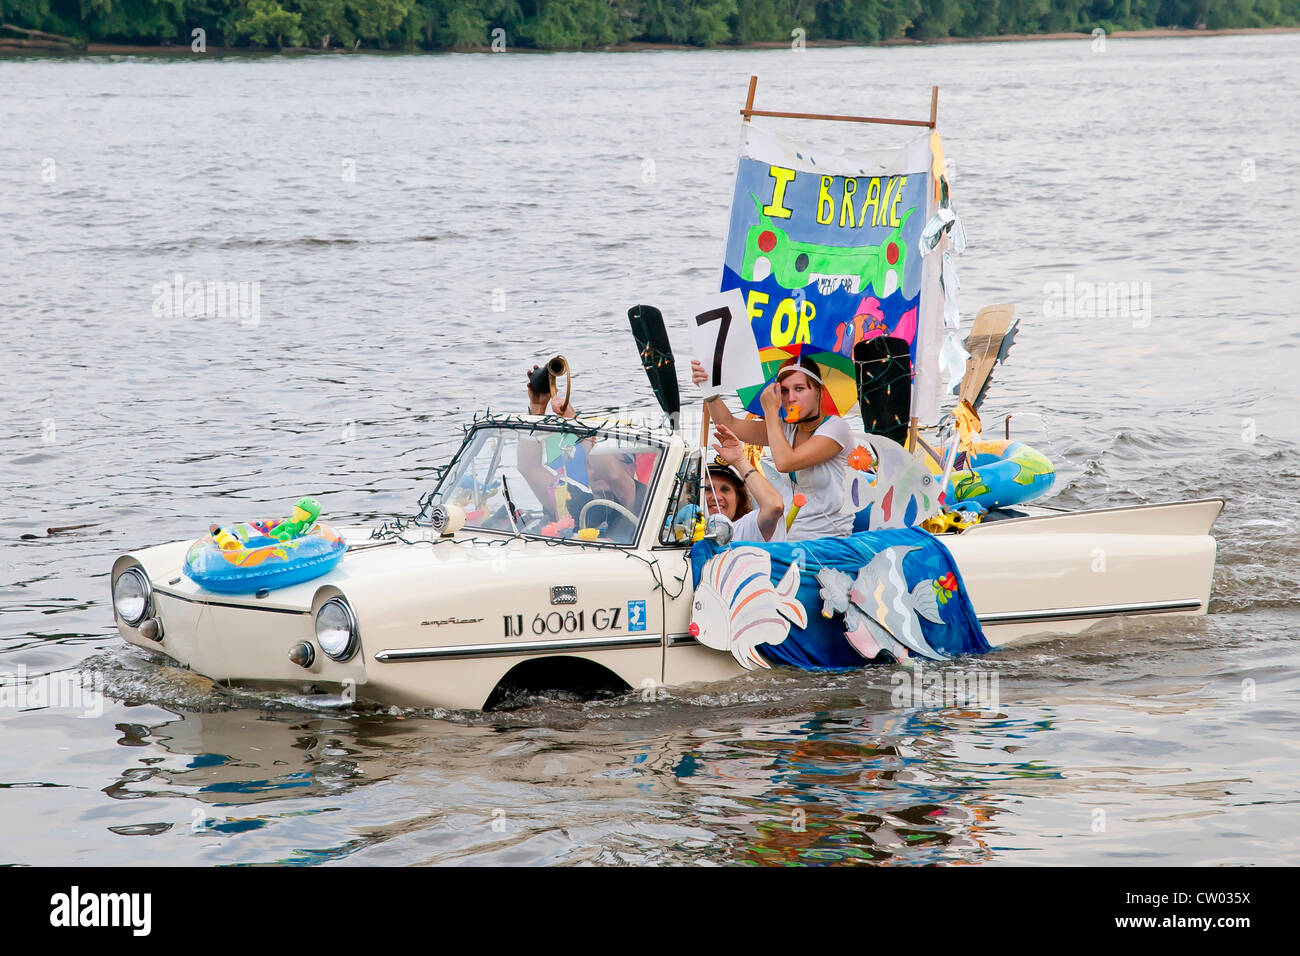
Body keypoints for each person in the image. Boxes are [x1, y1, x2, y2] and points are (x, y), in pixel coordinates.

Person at [691, 354, 852, 540]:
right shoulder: (785, 428)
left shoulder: (837, 428)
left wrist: (771, 412)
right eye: (784, 391)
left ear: (819, 391)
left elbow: (785, 462)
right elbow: (729, 424)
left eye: (799, 389)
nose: (791, 397)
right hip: (787, 536)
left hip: (828, 540)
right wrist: (709, 389)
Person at [705, 422, 785, 542]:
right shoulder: (675, 533)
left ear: (739, 498)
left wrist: (739, 460)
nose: (717, 497)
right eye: (707, 489)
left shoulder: (745, 529)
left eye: (725, 489)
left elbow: (774, 506)